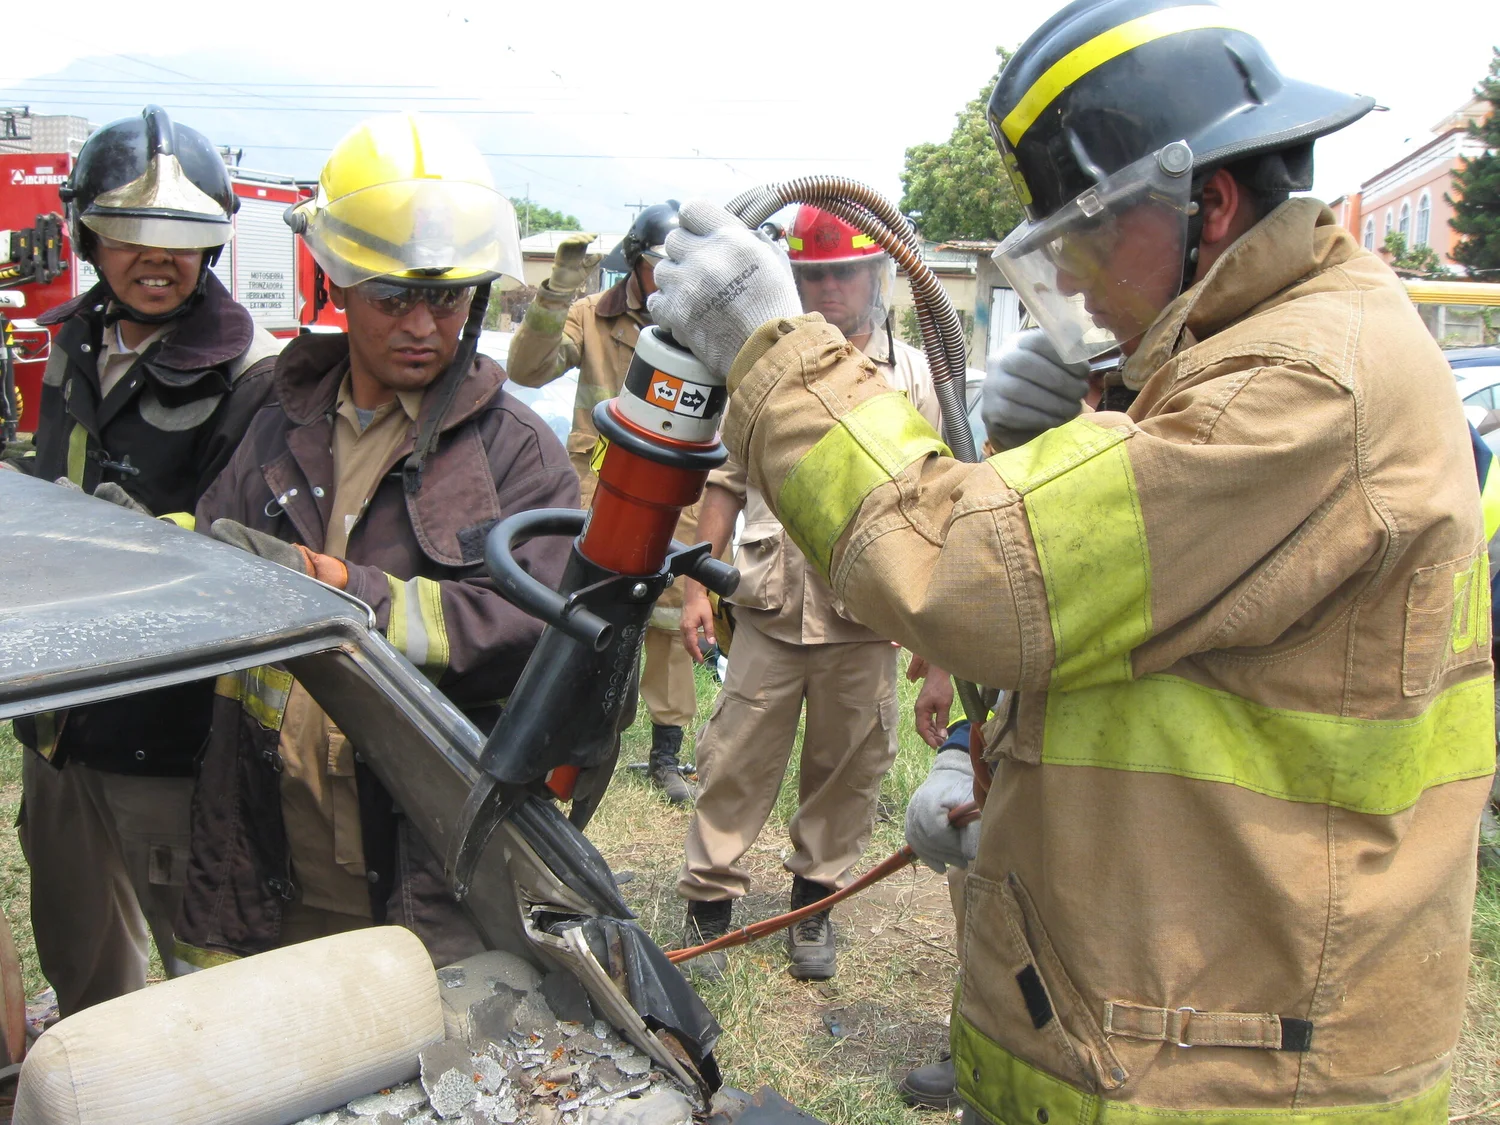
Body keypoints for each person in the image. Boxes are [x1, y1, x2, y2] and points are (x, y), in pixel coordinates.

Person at [647, 1, 1495, 1120]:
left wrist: (771, 348)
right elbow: (1157, 649)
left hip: (1240, 1068)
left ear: (1212, 201)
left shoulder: (1301, 386)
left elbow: (969, 575)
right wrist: (998, 767)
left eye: (1089, 241)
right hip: (1184, 1012)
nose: (1081, 288)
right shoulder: (1249, 351)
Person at [174, 112, 578, 968]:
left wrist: (341, 588)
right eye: (395, 296)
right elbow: (215, 551)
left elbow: (543, 629)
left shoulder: (515, 453)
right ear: (341, 285)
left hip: (420, 863)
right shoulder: (279, 418)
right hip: (271, 840)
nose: (424, 324)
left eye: (447, 296)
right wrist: (140, 548)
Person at [7, 105, 280, 1017]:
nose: (156, 258)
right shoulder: (70, 345)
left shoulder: (249, 370)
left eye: (183, 237)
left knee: (199, 978)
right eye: (129, 234)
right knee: (81, 961)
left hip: (172, 731)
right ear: (87, 234)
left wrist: (137, 542)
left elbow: (249, 554)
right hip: (59, 720)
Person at [675, 206, 941, 982]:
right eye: (813, 274)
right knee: (733, 758)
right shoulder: (766, 368)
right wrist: (699, 583)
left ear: (875, 278)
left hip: (866, 616)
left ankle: (813, 905)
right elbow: (725, 477)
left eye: (843, 273)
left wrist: (935, 642)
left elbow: (938, 507)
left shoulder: (915, 376)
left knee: (849, 767)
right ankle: (708, 906)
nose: (828, 289)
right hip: (767, 603)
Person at [507, 203, 698, 806]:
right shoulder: (592, 318)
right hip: (597, 498)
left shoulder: (699, 329)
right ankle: (562, 745)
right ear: (636, 264)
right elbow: (526, 368)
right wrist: (559, 290)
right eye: (659, 267)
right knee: (582, 620)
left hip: (669, 496)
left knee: (667, 623)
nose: (669, 280)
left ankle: (666, 754)